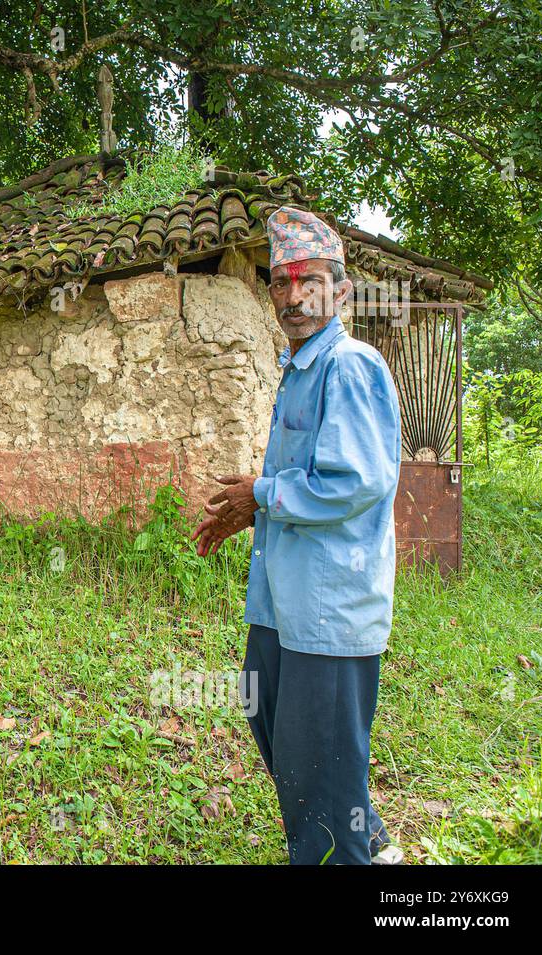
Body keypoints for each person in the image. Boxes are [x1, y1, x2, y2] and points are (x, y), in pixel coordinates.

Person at [191, 207, 404, 865]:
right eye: (280, 281)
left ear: (340, 291)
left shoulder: (350, 365)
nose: (291, 295)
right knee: (279, 730)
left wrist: (260, 494)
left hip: (329, 610)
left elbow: (354, 481)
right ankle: (363, 828)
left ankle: (343, 849)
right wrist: (259, 507)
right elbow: (303, 483)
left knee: (314, 762)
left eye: (308, 279)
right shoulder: (302, 369)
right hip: (283, 603)